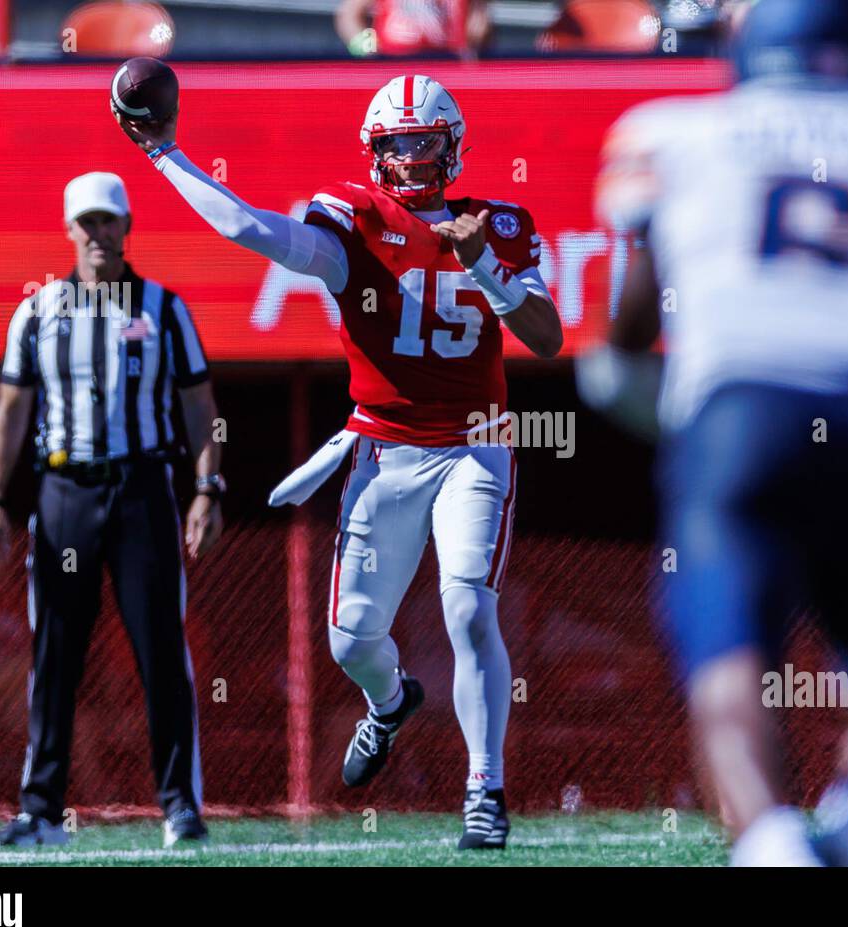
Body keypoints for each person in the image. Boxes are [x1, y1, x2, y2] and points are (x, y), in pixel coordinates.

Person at [582, 0, 848, 864]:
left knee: (728, 671)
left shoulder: (675, 135)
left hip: (735, 417)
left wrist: (624, 374)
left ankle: (773, 847)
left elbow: (634, 315)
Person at [115, 74, 562, 849]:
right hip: (384, 445)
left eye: (423, 141)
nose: (412, 157)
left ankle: (483, 792)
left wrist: (483, 262)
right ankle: (390, 703)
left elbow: (548, 337)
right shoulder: (354, 219)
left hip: (474, 444)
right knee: (352, 640)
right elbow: (251, 230)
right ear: (374, 151)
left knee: (467, 604)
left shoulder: (499, 225)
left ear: (451, 144)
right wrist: (165, 155)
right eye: (395, 144)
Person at [0, 171, 225, 849]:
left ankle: (180, 805)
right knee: (55, 651)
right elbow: (11, 409)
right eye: (86, 222)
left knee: (160, 649)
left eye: (108, 220)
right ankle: (42, 810)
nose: (97, 233)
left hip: (144, 489)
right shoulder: (38, 311)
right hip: (64, 492)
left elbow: (200, 402)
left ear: (127, 225)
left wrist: (207, 486)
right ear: (68, 229)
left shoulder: (164, 308)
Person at [335, 0, 489, 57]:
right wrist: (367, 50)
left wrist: (475, 41)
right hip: (393, 62)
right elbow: (350, 15)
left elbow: (478, 21)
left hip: (447, 61)